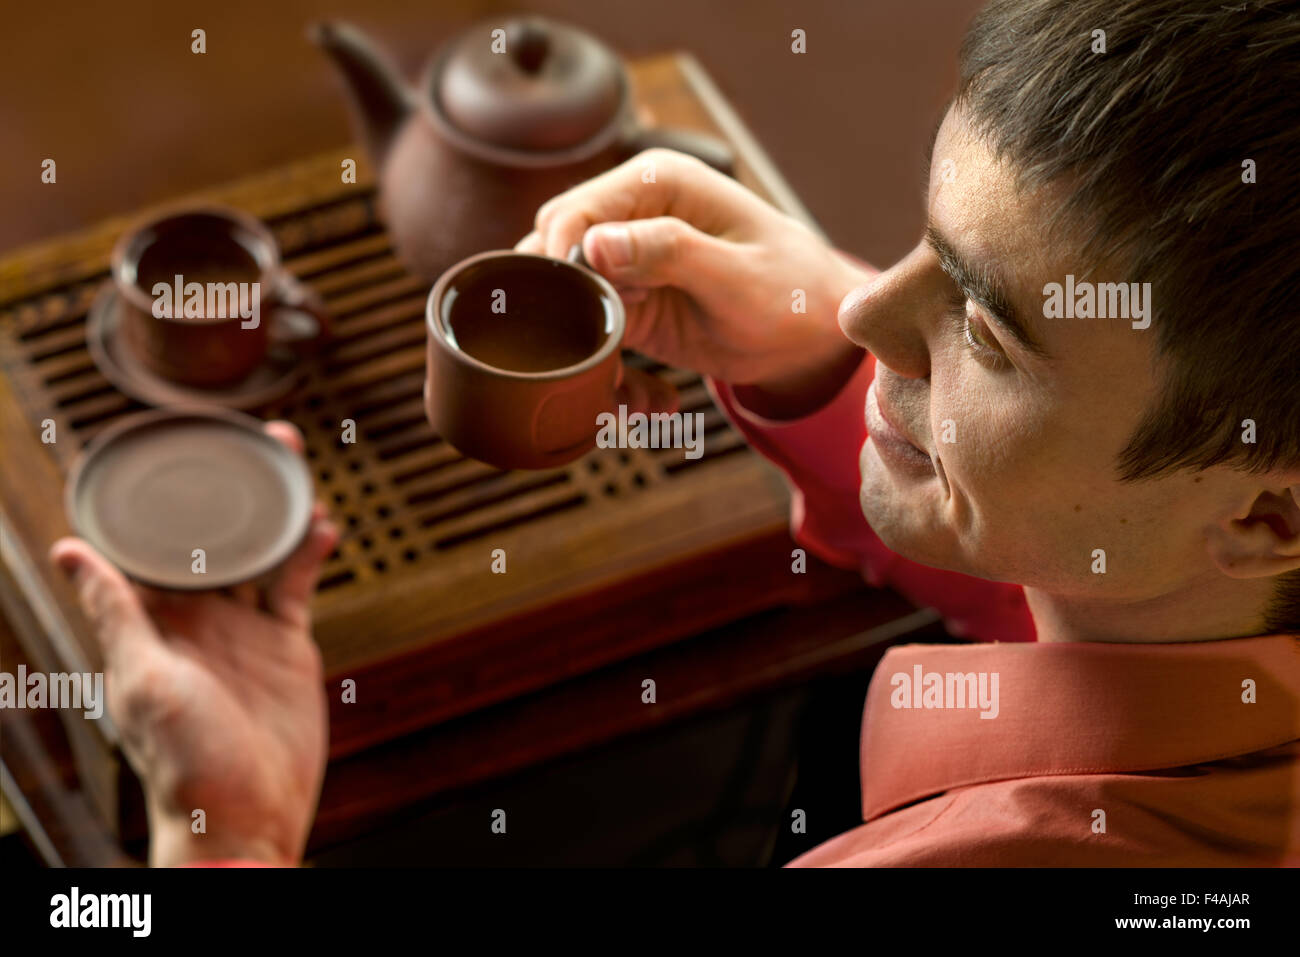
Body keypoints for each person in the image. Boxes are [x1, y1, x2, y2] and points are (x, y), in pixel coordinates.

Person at [49, 0, 1300, 866]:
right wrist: (816, 361)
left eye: (989, 329)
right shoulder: (1210, 568)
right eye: (927, 244)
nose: (863, 305)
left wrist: (232, 833)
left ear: (1266, 513)